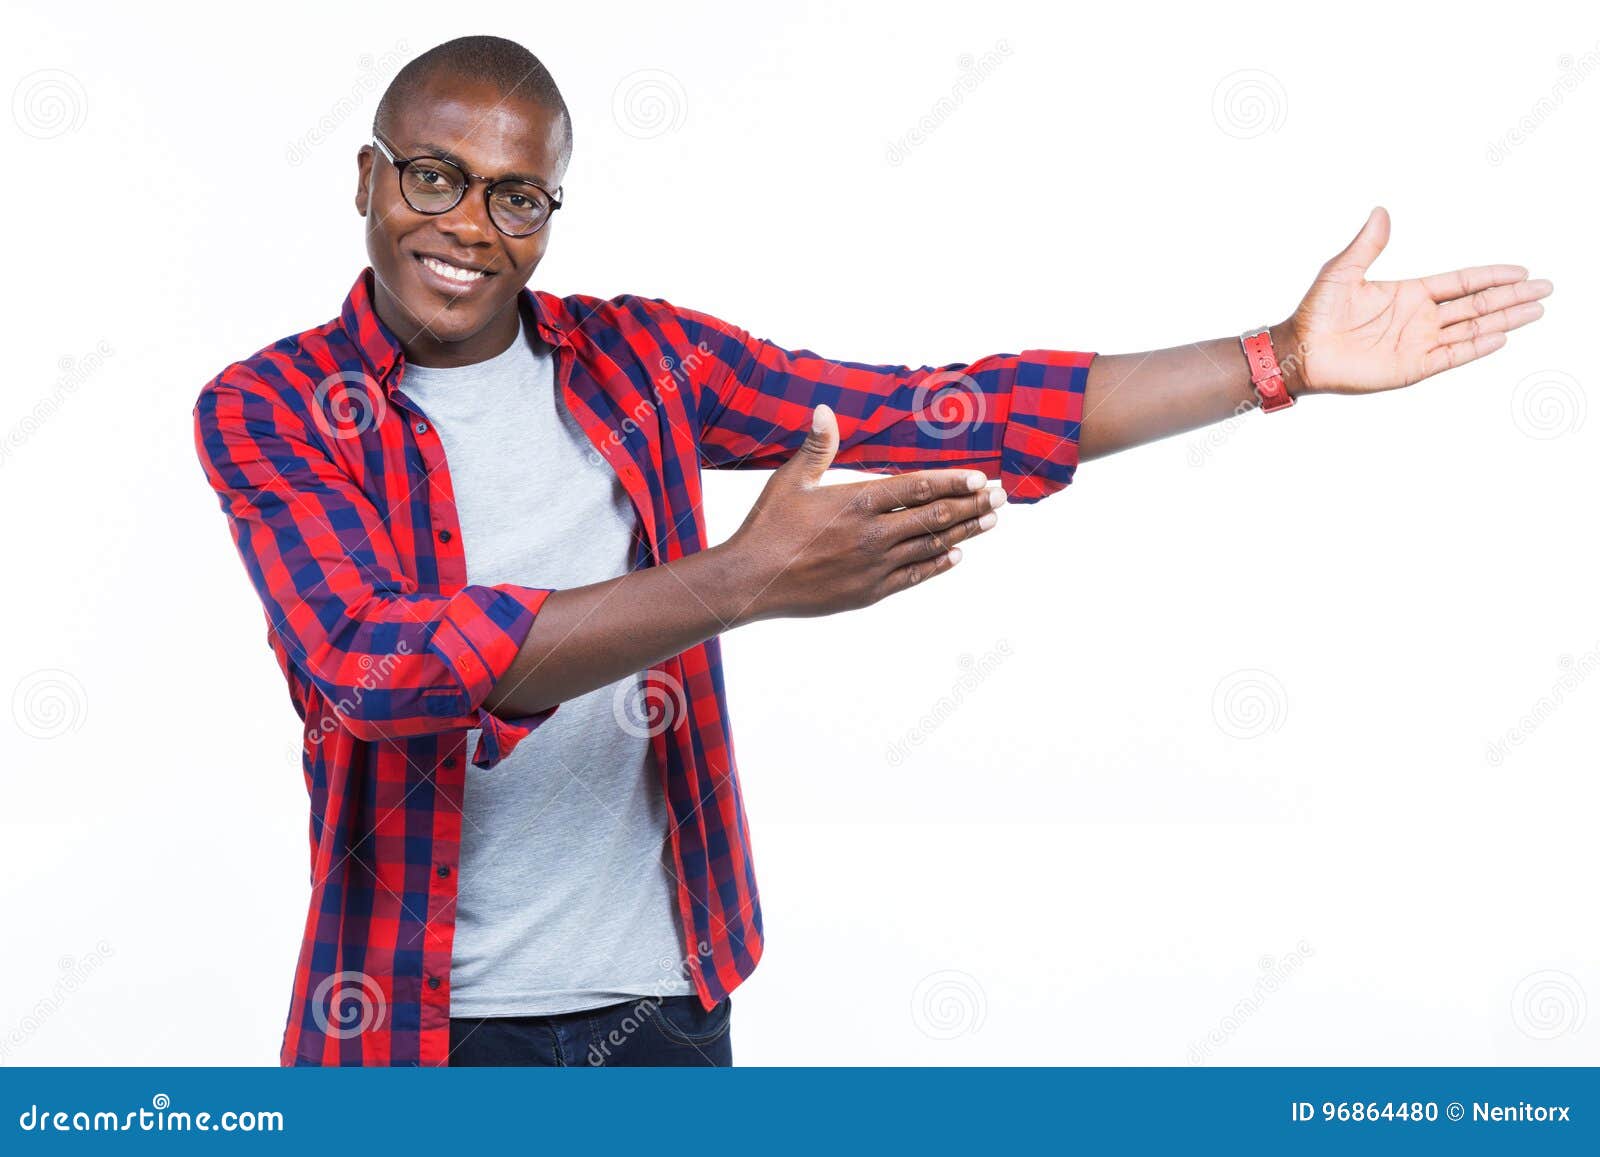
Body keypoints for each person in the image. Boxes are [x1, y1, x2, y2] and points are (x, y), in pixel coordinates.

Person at [192, 35, 1551, 1067]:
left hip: (668, 1009)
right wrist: (738, 580)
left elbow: (943, 404)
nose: (470, 227)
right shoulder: (269, 407)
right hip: (417, 1035)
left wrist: (1278, 360)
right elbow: (374, 667)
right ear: (372, 175)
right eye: (436, 176)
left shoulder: (643, 359)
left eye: (518, 196)